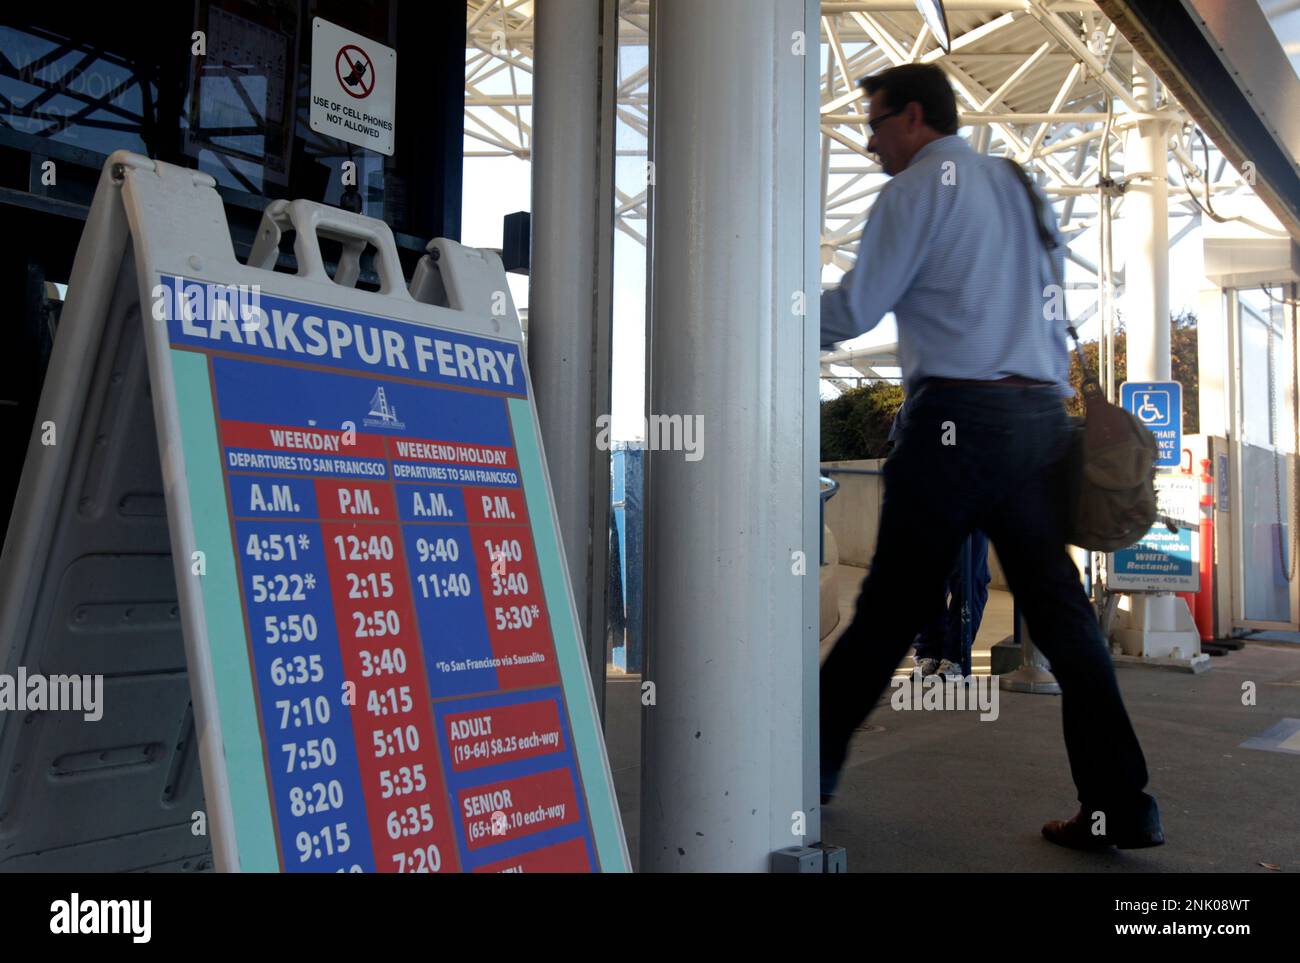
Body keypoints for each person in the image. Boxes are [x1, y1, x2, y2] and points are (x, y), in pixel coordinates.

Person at [818, 63, 1163, 850]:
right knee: (1064, 619)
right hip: (1039, 421)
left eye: (874, 123)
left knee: (891, 608)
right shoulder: (1016, 186)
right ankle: (1121, 804)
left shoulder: (913, 191)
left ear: (912, 118)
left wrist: (772, 318)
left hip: (958, 424)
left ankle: (805, 769)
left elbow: (856, 308)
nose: (869, 142)